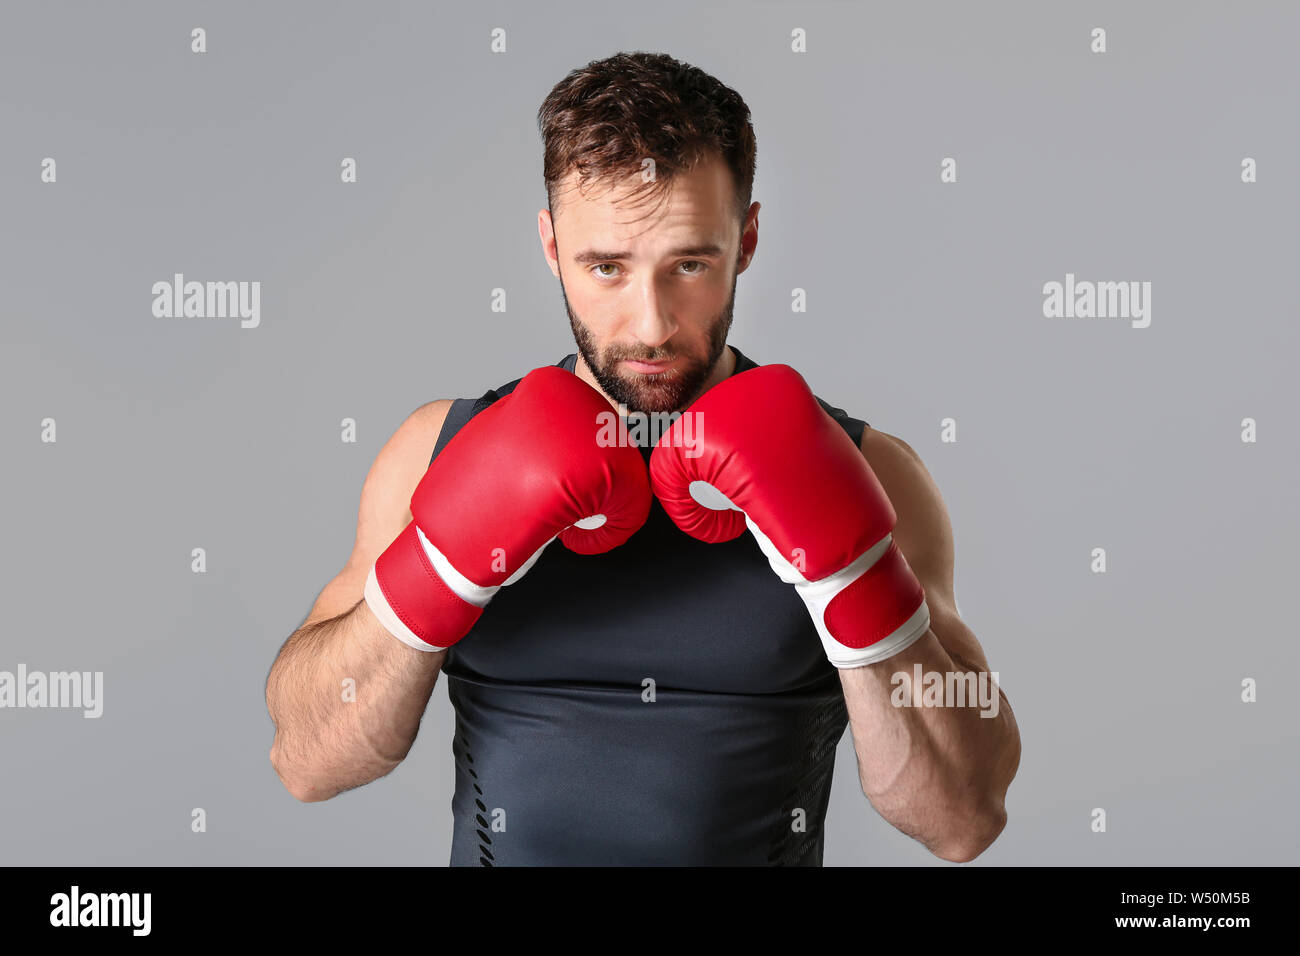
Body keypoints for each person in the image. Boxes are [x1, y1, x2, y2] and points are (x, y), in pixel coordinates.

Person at [266, 51, 1020, 866]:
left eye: (689, 265)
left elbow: (962, 814)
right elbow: (308, 761)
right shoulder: (438, 451)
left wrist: (854, 581)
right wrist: (437, 572)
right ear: (552, 247)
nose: (651, 324)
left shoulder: (872, 470)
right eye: (607, 268)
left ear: (749, 240)